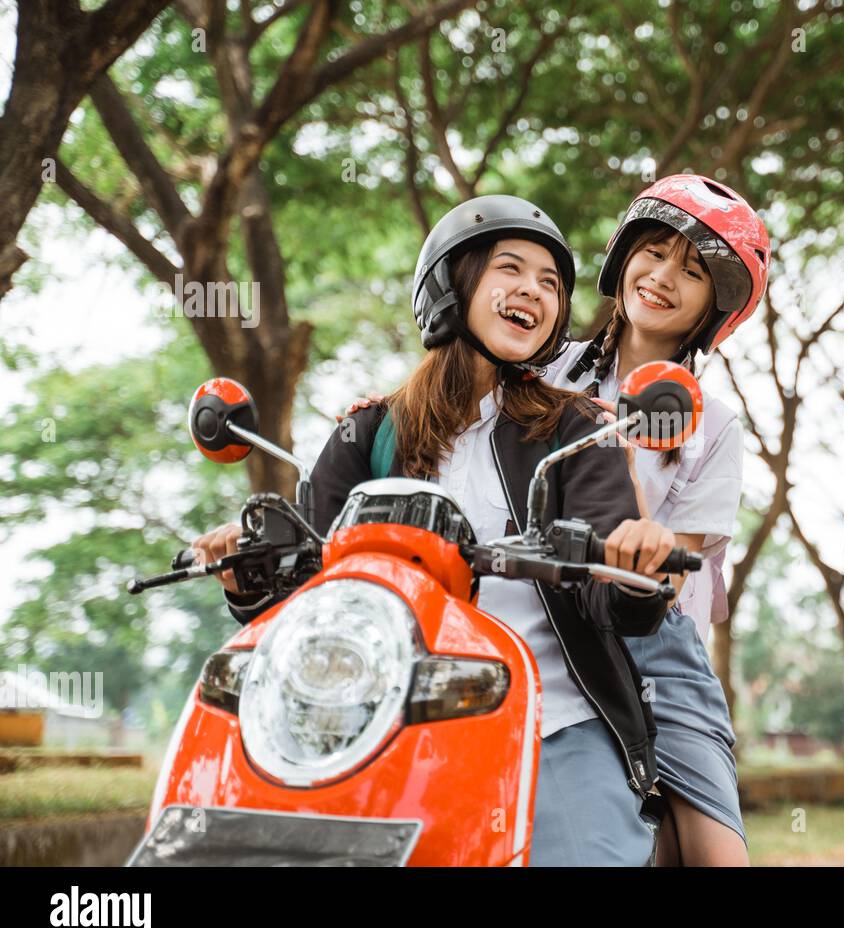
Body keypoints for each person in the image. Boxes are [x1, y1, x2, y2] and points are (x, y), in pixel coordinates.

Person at [190, 195, 680, 866]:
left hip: (553, 721)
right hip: (380, 724)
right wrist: (248, 572)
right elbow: (310, 593)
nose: (533, 292)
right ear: (453, 284)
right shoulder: (366, 432)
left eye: (550, 284)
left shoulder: (576, 430)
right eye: (512, 269)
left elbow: (610, 593)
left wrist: (636, 565)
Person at [349, 176, 770, 865]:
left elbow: (672, 560)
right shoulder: (546, 366)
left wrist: (624, 473)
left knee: (714, 855)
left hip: (650, 639)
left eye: (692, 273)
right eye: (654, 253)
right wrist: (390, 409)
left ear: (712, 311)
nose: (664, 277)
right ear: (622, 257)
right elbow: (461, 409)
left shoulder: (715, 426)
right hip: (540, 620)